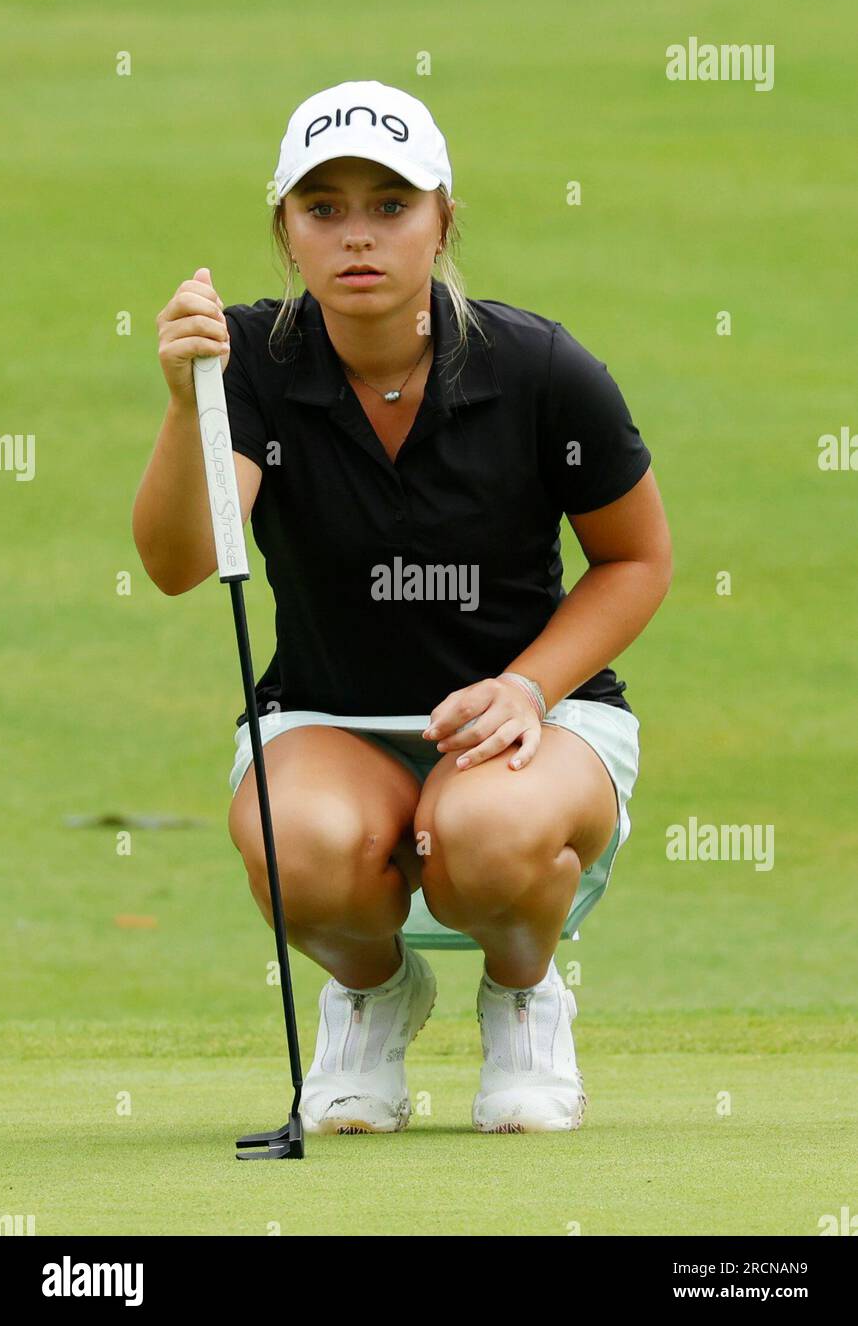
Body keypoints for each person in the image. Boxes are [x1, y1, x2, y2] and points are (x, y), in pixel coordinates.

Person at [133, 79, 672, 1136]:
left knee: (481, 831)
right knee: (303, 847)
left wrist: (526, 686)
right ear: (285, 231)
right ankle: (374, 995)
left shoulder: (539, 370)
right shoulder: (252, 364)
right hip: (329, 719)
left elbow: (634, 560)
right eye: (322, 208)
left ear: (441, 219)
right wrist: (183, 399)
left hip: (540, 720)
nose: (357, 235)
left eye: (390, 204)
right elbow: (180, 563)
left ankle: (523, 995)